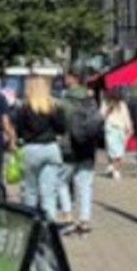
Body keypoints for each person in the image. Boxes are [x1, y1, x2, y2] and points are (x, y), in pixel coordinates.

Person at [13, 76, 66, 222]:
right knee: (49, 192)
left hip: (30, 149)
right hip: (50, 148)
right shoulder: (53, 107)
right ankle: (50, 227)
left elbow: (19, 131)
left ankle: (29, 223)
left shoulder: (23, 108)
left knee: (30, 191)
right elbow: (62, 128)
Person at [60, 72, 101, 234]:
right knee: (85, 184)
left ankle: (68, 214)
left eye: (66, 77)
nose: (64, 79)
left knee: (61, 181)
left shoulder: (65, 101)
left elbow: (59, 124)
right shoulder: (91, 101)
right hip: (88, 148)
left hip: (68, 148)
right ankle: (85, 220)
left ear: (72, 79)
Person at [101, 88, 132, 180]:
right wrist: (129, 127)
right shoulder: (109, 104)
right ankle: (115, 169)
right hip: (115, 129)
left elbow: (101, 116)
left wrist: (129, 127)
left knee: (114, 150)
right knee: (116, 150)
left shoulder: (119, 104)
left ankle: (113, 167)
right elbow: (126, 116)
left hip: (113, 129)